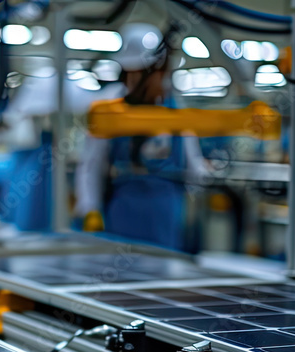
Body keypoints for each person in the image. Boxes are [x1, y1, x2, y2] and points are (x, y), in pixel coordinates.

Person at [74, 23, 208, 250]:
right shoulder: (110, 110)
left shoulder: (175, 110)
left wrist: (206, 178)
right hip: (124, 208)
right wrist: (90, 208)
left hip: (166, 211)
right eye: (131, 74)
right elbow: (90, 164)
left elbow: (194, 165)